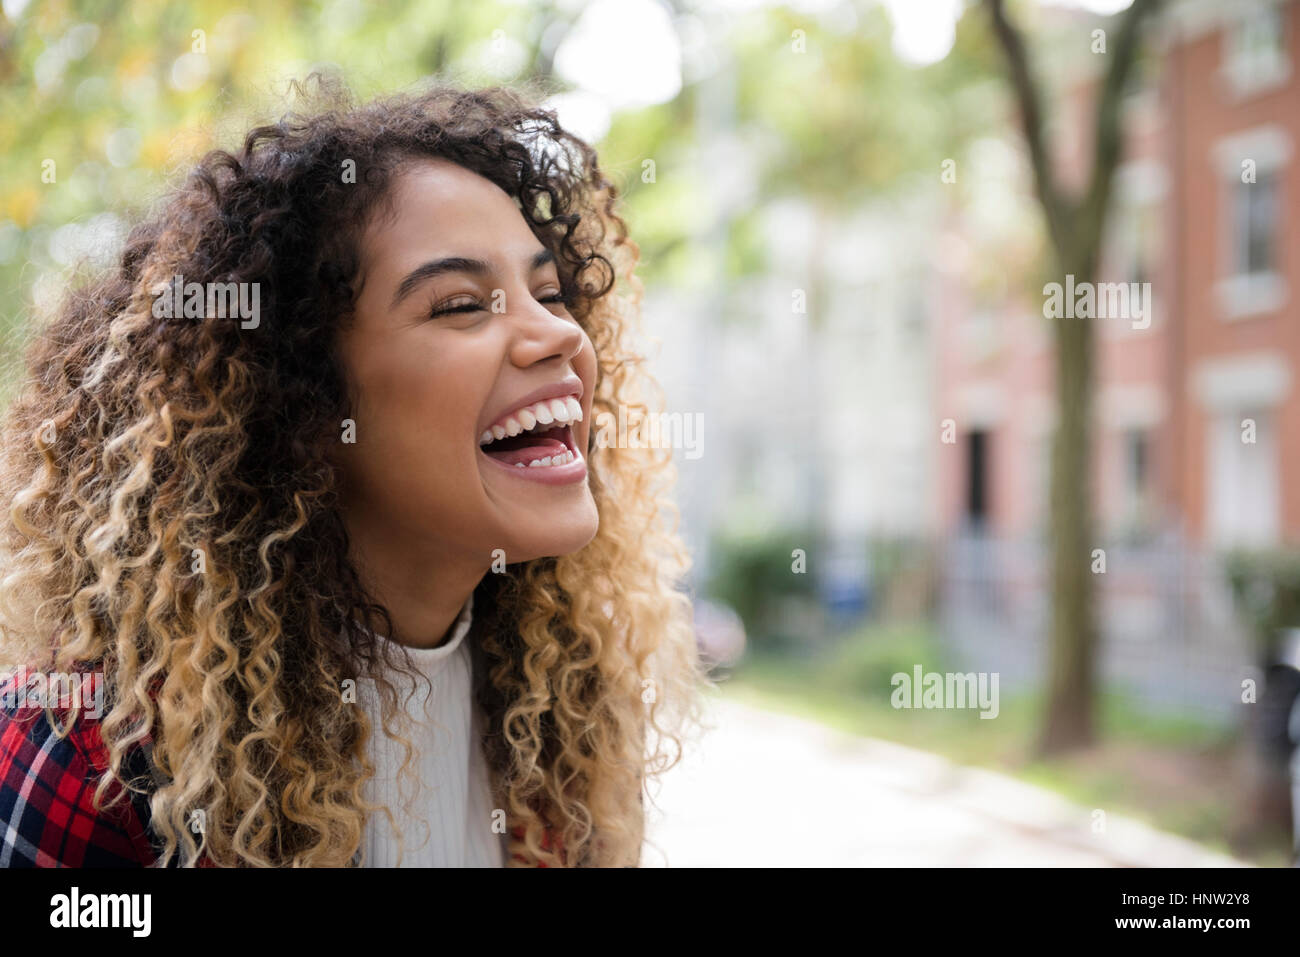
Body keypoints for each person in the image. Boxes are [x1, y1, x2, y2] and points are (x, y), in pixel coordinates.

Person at [0, 74, 709, 868]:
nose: (558, 336)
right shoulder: (102, 757)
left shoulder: (567, 726)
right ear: (300, 405)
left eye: (548, 292)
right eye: (461, 304)